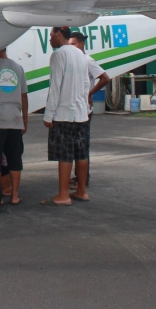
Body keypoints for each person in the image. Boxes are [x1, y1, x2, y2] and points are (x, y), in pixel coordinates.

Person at [40, 26, 91, 206]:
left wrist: (48, 114)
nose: (50, 39)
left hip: (64, 113)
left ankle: (63, 195)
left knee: (65, 154)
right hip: (81, 113)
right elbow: (86, 83)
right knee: (81, 153)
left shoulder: (58, 55)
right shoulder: (80, 54)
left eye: (51, 34)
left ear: (59, 33)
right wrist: (84, 105)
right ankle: (81, 191)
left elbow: (55, 86)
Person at [68, 31, 111, 190]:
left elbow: (105, 78)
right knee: (75, 145)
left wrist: (90, 93)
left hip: (84, 110)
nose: (71, 47)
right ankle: (79, 176)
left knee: (82, 145)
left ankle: (83, 180)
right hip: (76, 109)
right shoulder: (75, 61)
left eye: (73, 44)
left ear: (81, 44)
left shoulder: (87, 61)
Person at [0, 48, 27, 205]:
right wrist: (25, 120)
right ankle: (15, 195)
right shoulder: (18, 67)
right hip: (15, 120)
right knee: (15, 159)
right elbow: (24, 95)